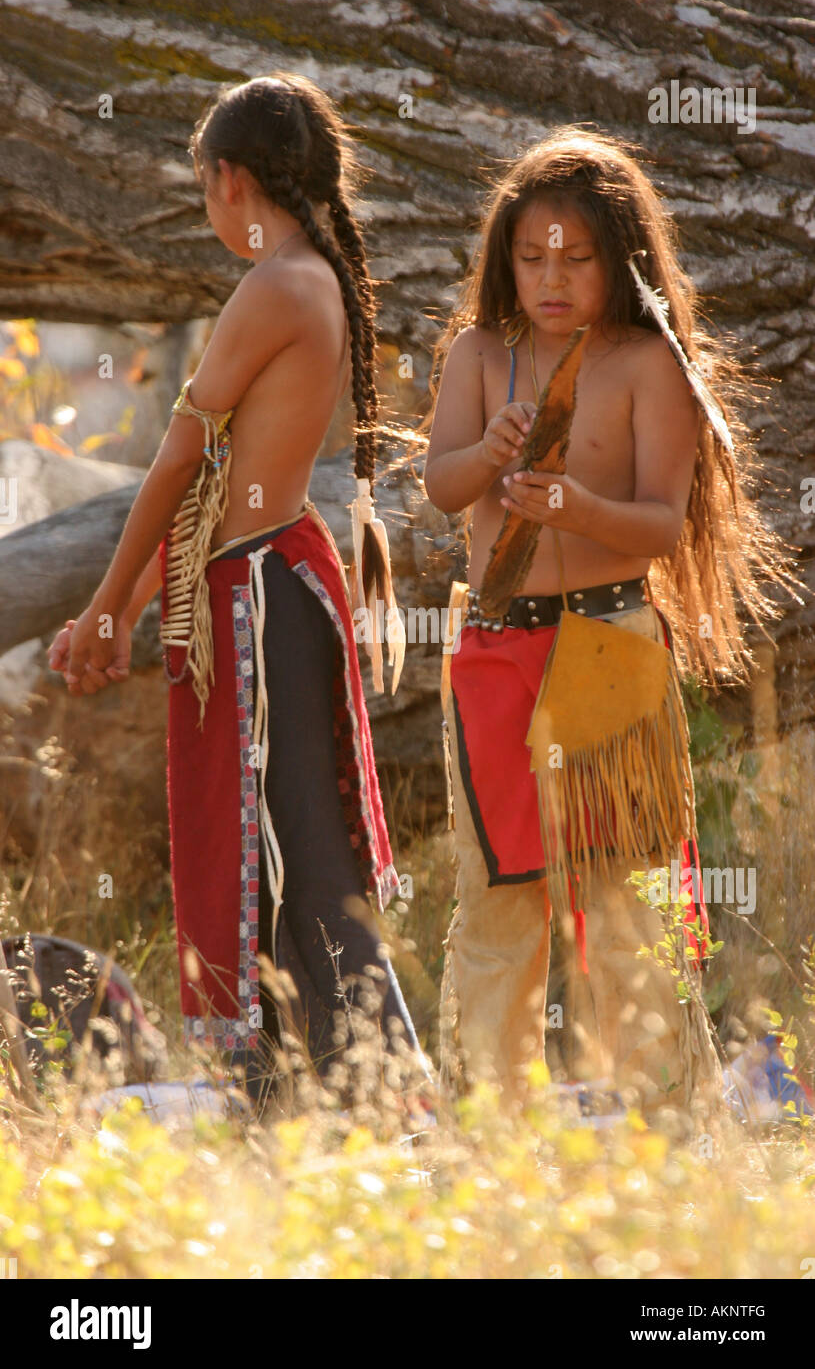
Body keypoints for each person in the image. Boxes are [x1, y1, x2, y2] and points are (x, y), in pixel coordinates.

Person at [47, 73, 428, 1116]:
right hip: (259, 584)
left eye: (203, 182)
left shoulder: (274, 285)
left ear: (228, 179)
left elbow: (177, 458)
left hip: (260, 591)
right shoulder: (307, 278)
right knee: (285, 845)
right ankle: (295, 1092)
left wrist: (108, 609)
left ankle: (383, 1094)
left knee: (299, 842)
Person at [424, 128, 803, 1127]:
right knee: (501, 900)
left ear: (619, 259)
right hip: (499, 650)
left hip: (609, 646)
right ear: (504, 255)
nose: (551, 277)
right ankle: (496, 1132)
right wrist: (487, 454)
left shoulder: (645, 365)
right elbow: (438, 485)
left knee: (626, 902)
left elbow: (658, 523)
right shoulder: (475, 352)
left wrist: (573, 510)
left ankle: (660, 1122)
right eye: (532, 256)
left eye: (577, 258)